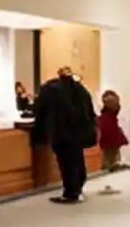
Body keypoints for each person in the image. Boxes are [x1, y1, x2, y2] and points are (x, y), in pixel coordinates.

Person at [34, 66, 97, 203]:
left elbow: (39, 110)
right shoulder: (81, 90)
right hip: (79, 132)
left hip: (60, 132)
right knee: (77, 159)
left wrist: (41, 130)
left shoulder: (50, 89)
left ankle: (71, 193)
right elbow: (90, 110)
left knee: (66, 163)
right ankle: (78, 186)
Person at [98, 90, 128, 172]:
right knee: (110, 158)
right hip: (110, 138)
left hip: (111, 138)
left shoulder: (106, 116)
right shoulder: (107, 116)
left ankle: (110, 170)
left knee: (111, 157)